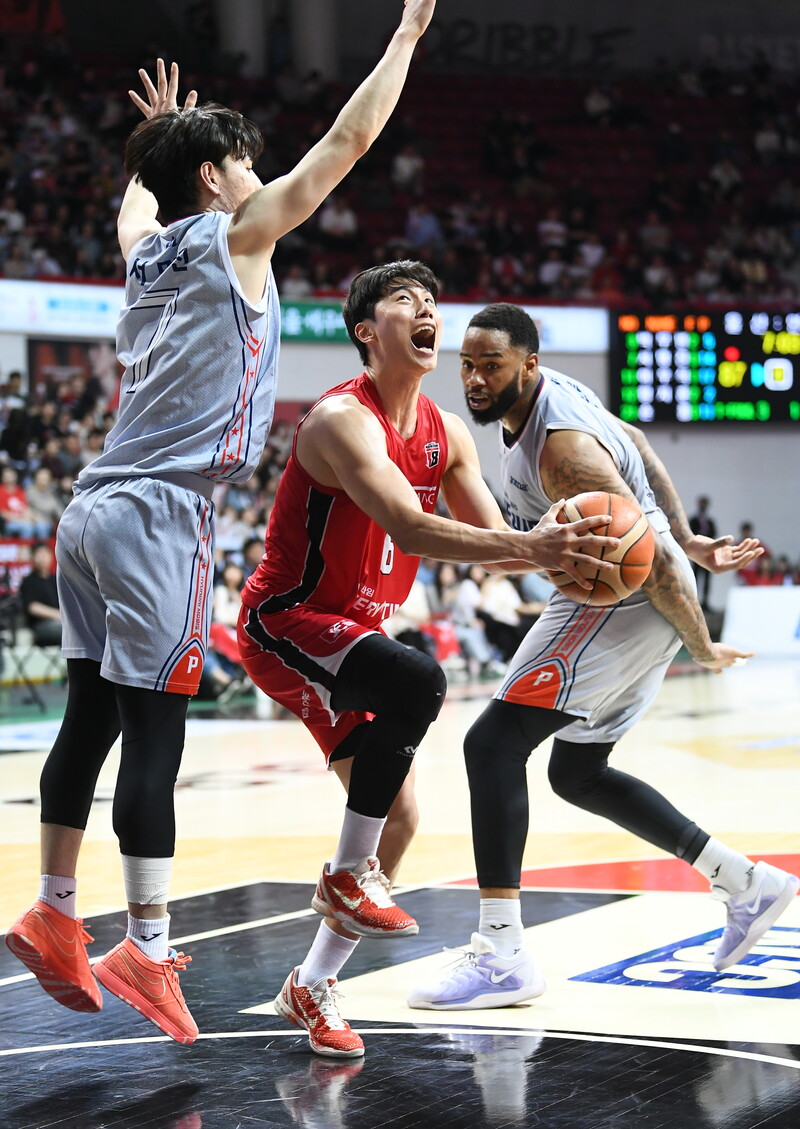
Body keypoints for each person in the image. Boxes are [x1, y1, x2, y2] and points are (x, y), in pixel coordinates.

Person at [5, 0, 447, 1045]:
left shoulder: (144, 248)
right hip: (162, 511)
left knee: (87, 718)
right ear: (216, 183)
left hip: (88, 512)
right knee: (154, 729)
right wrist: (402, 41)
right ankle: (146, 946)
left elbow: (134, 207)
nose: (260, 176)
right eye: (244, 163)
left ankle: (56, 910)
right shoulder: (234, 231)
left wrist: (157, 142)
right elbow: (345, 143)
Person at [237, 262, 621, 1058]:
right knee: (420, 681)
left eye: (432, 302)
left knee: (401, 818)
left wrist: (586, 551)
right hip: (289, 619)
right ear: (365, 333)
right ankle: (346, 878)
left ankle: (310, 984)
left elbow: (501, 551)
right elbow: (413, 531)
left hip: (348, 634)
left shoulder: (444, 431)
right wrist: (535, 541)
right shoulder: (342, 419)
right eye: (403, 300)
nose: (426, 311)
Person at [407, 302, 797, 1012]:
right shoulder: (553, 396)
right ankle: (746, 882)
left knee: (492, 743)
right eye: (467, 363)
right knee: (576, 771)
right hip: (626, 590)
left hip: (629, 600)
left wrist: (700, 641)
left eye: (489, 364)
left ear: (527, 363)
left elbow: (657, 569)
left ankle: (502, 953)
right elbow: (638, 438)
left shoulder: (564, 456)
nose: (473, 377)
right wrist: (686, 536)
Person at [19, 541, 62, 646]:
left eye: (45, 554)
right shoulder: (29, 581)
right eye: (39, 554)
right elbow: (33, 607)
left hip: (61, 621)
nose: (43, 558)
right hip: (41, 625)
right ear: (32, 558)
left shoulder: (57, 579)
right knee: (67, 631)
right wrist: (58, 615)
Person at [688, 495, 717, 609]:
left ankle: (705, 602)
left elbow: (714, 534)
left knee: (706, 580)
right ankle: (694, 601)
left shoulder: (710, 521)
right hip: (696, 555)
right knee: (694, 578)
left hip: (708, 554)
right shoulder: (693, 521)